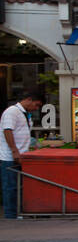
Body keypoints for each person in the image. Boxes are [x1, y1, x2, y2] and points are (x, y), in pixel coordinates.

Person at [1, 91, 43, 219]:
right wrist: (14, 151)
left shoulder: (25, 114)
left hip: (22, 154)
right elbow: (7, 130)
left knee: (19, 186)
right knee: (10, 186)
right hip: (9, 156)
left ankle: (19, 211)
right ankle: (11, 214)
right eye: (36, 105)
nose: (36, 108)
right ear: (29, 100)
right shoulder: (12, 111)